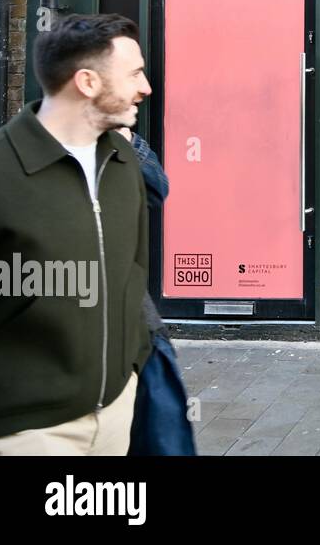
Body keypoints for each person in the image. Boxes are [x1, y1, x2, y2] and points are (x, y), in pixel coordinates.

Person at [0, 14, 153, 454]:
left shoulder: (122, 160)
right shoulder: (1, 172)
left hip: (116, 412)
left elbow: (134, 269)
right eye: (135, 74)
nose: (146, 88)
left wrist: (132, 363)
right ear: (86, 82)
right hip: (29, 431)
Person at [117, 126, 197, 456]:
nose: (144, 87)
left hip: (135, 329)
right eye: (133, 73)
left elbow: (156, 188)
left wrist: (127, 141)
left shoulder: (117, 144)